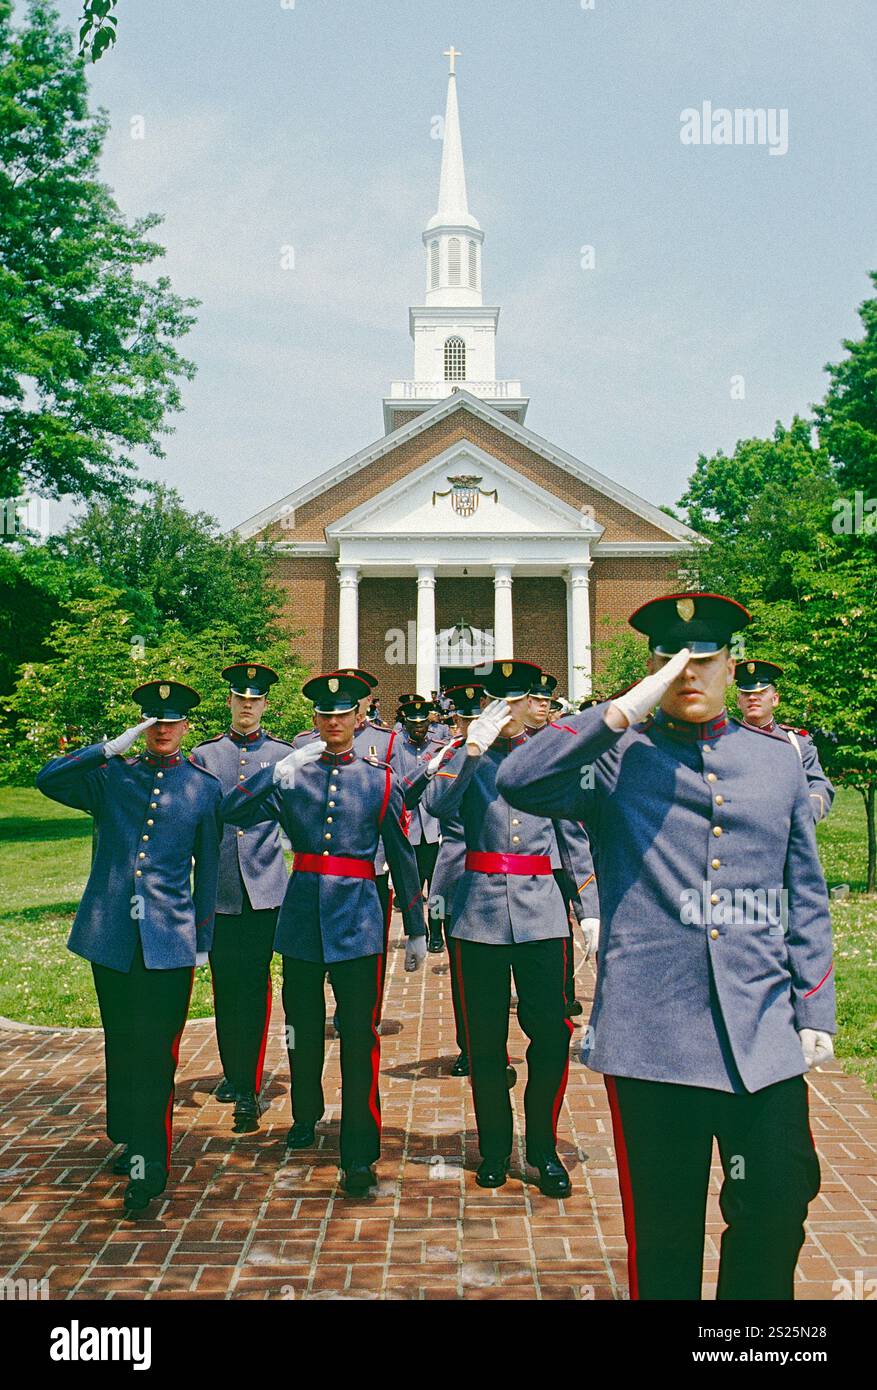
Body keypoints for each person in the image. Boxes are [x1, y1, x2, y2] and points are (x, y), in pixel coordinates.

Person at [497, 594, 836, 1300]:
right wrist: (622, 708)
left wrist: (815, 1010)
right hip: (653, 1037)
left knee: (776, 1198)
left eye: (704, 659)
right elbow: (518, 779)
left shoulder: (775, 759)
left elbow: (803, 893)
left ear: (730, 665)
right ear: (651, 668)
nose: (689, 674)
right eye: (670, 660)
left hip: (761, 1028)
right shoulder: (618, 758)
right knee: (664, 1231)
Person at [220, 671, 427, 1195]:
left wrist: (417, 924)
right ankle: (306, 1115)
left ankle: (359, 1147)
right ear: (314, 720)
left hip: (358, 917)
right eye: (324, 714)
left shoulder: (380, 780)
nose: (333, 722)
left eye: (343, 714)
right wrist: (276, 770)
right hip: (303, 914)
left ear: (360, 719)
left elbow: (401, 857)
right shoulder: (294, 775)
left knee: (360, 1033)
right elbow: (232, 811)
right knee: (302, 1025)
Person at [35, 680, 222, 1215]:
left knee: (156, 1050)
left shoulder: (202, 787)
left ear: (185, 727)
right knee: (122, 1040)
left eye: (171, 722)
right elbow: (46, 779)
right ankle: (129, 1133)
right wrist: (106, 748)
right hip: (111, 933)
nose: (162, 731)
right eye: (152, 722)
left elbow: (207, 870)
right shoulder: (111, 778)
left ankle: (150, 1162)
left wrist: (203, 940)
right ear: (142, 727)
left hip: (168, 939)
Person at [422, 660, 577, 1198]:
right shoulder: (464, 755)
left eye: (520, 701)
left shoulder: (548, 756)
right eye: (501, 702)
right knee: (485, 1041)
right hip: (478, 914)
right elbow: (436, 807)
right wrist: (470, 751)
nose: (510, 712)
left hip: (541, 912)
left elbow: (573, 835)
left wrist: (592, 907)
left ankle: (543, 1146)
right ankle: (494, 1148)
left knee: (552, 1033)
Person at [190, 663, 292, 1132]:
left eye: (255, 700)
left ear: (265, 704)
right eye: (240, 699)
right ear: (230, 702)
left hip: (265, 888)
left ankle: (248, 1089)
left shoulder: (283, 755)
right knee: (225, 985)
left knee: (253, 986)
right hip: (220, 888)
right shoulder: (205, 756)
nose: (247, 706)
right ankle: (234, 1072)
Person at [524, 672, 600, 1019]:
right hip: (508, 865)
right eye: (536, 699)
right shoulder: (501, 745)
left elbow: (570, 826)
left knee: (558, 932)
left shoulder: (560, 746)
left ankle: (563, 993)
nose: (543, 706)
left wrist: (588, 904)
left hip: (552, 857)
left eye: (547, 702)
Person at [735, 659, 835, 822]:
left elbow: (819, 786)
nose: (752, 697)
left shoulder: (797, 743)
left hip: (785, 839)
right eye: (746, 693)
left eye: (761, 692)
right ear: (739, 702)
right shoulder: (722, 741)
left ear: (775, 699)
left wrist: (802, 819)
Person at [390, 697, 446, 904]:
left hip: (434, 826)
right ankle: (417, 931)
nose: (418, 727)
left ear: (429, 723)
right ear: (405, 723)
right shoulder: (395, 747)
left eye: (422, 722)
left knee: (437, 887)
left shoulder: (440, 747)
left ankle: (436, 931)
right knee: (409, 887)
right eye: (413, 723)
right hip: (407, 825)